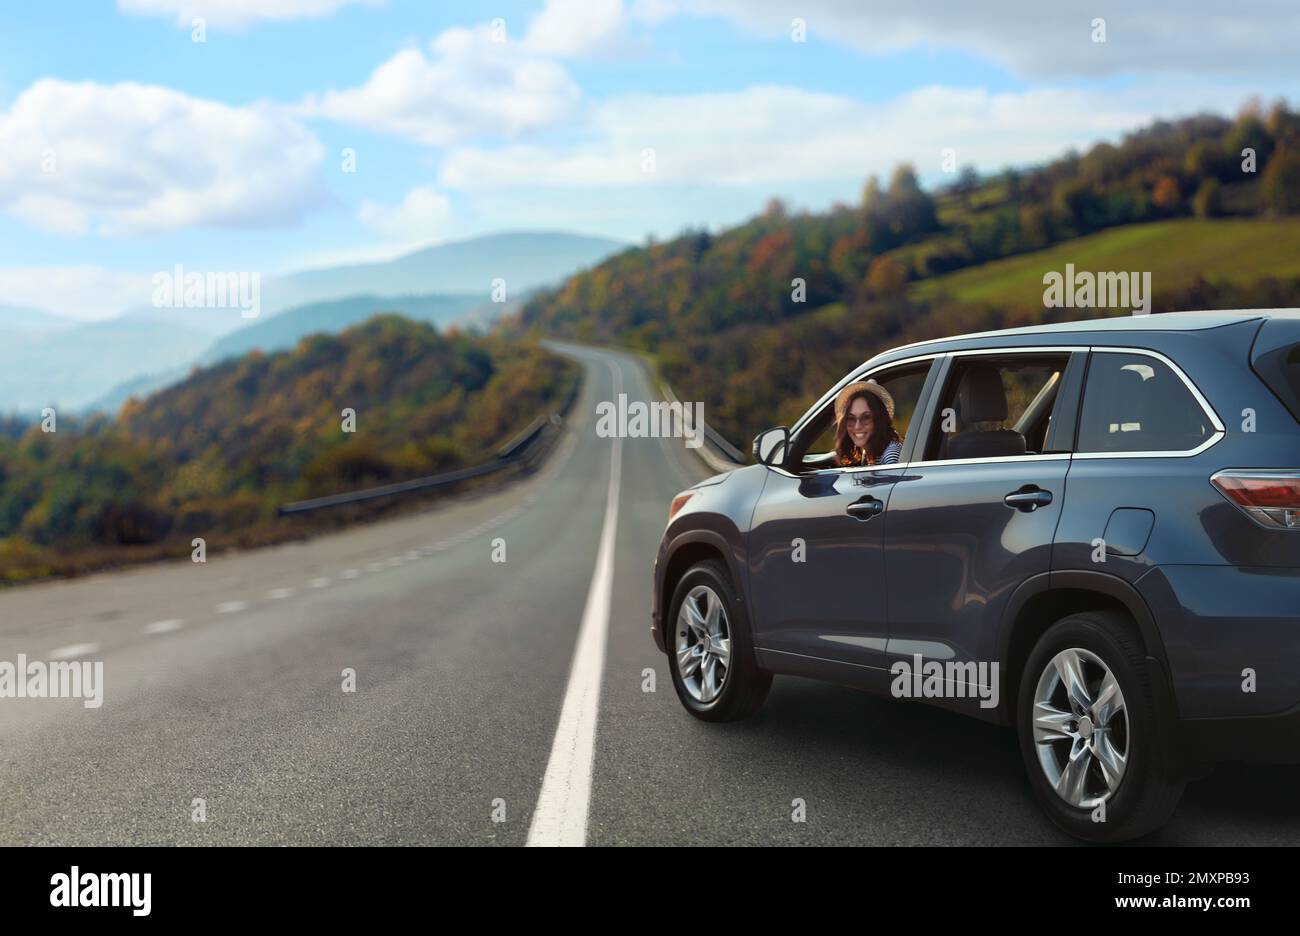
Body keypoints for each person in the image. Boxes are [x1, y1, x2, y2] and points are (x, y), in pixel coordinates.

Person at [834, 380, 903, 467]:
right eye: (851, 418)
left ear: (878, 420)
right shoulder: (868, 452)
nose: (857, 426)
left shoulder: (890, 456)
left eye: (866, 417)